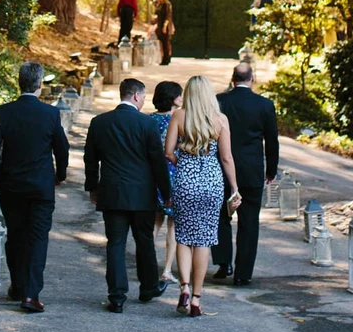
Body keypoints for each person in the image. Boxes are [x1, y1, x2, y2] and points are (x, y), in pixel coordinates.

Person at [0, 60, 69, 313]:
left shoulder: (4, 112)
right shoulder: (51, 114)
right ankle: (31, 295)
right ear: (40, 85)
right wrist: (60, 175)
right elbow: (61, 149)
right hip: (41, 187)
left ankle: (18, 285)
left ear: (19, 82)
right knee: (37, 238)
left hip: (11, 186)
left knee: (16, 236)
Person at [83, 76, 172, 312]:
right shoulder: (147, 124)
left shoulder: (99, 122)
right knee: (144, 241)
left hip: (112, 193)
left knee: (115, 243)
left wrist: (93, 188)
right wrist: (166, 192)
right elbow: (157, 162)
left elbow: (91, 160)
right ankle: (148, 287)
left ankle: (117, 296)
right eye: (143, 97)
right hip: (142, 193)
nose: (144, 101)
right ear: (136, 96)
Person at [165, 75, 240, 317]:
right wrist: (235, 187)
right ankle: (196, 299)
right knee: (204, 240)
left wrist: (184, 163)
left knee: (184, 237)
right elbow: (227, 158)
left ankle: (184, 286)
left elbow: (167, 152)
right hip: (211, 183)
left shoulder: (179, 116)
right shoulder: (220, 119)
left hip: (186, 181)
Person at [212, 61, 278, 287]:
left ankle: (223, 262)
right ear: (252, 80)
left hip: (221, 167)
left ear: (233, 80)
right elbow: (271, 141)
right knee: (249, 222)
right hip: (251, 171)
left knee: (221, 216)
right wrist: (271, 170)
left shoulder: (220, 101)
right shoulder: (264, 105)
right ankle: (243, 274)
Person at [151, 81, 183, 282]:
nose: (181, 98)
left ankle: (146, 265)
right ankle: (167, 270)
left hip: (154, 173)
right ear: (172, 97)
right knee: (173, 225)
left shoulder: (149, 119)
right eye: (179, 95)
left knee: (154, 222)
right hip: (175, 171)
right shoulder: (178, 119)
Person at [154, 0, 174, 65]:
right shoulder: (160, 4)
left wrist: (165, 26)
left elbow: (168, 16)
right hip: (160, 25)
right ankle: (164, 58)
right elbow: (157, 13)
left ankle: (166, 59)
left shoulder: (167, 4)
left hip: (165, 25)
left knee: (166, 43)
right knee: (162, 43)